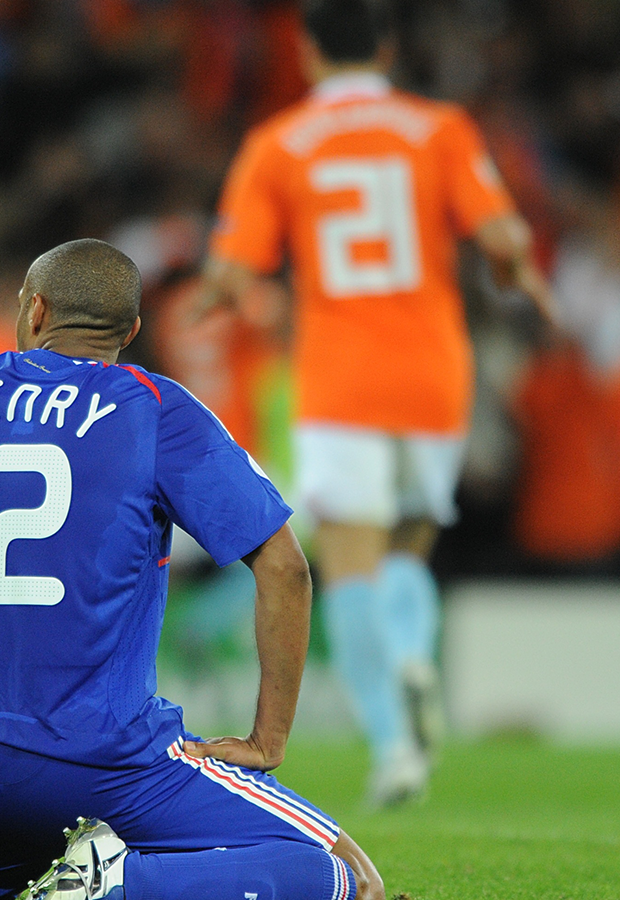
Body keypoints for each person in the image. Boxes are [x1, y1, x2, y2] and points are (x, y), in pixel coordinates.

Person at [0, 239, 385, 900]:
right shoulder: (154, 410)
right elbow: (286, 569)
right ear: (131, 331)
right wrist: (267, 738)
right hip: (107, 765)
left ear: (34, 310)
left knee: (0, 877)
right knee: (348, 876)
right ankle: (115, 885)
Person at [195, 0, 556, 806]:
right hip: (433, 368)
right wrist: (520, 275)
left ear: (308, 53)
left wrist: (208, 296)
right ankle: (413, 651)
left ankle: (395, 749)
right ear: (387, 49)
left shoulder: (278, 142)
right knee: (409, 547)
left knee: (349, 558)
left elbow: (233, 268)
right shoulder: (440, 129)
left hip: (340, 374)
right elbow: (503, 239)